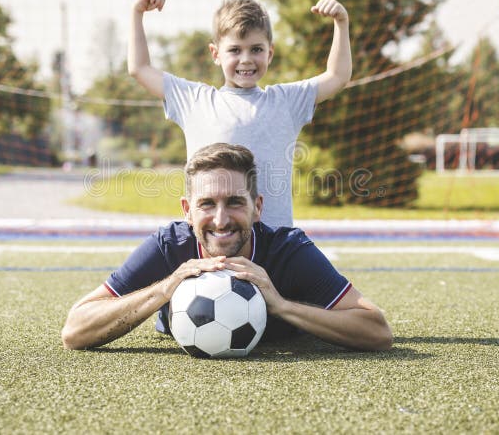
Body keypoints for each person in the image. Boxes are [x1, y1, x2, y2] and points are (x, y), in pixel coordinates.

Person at [61, 143, 392, 352]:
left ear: (257, 207)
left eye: (234, 202)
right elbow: (75, 330)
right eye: (206, 204)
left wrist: (281, 306)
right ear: (187, 211)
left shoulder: (289, 251)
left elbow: (377, 330)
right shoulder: (169, 246)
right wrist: (165, 289)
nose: (221, 220)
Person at [127, 0, 352, 229]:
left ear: (270, 53)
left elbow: (338, 76)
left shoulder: (286, 101)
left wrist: (341, 22)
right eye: (235, 50)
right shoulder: (194, 100)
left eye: (256, 49)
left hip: (274, 241)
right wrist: (137, 13)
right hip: (215, 239)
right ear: (216, 54)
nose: (246, 59)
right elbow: (140, 68)